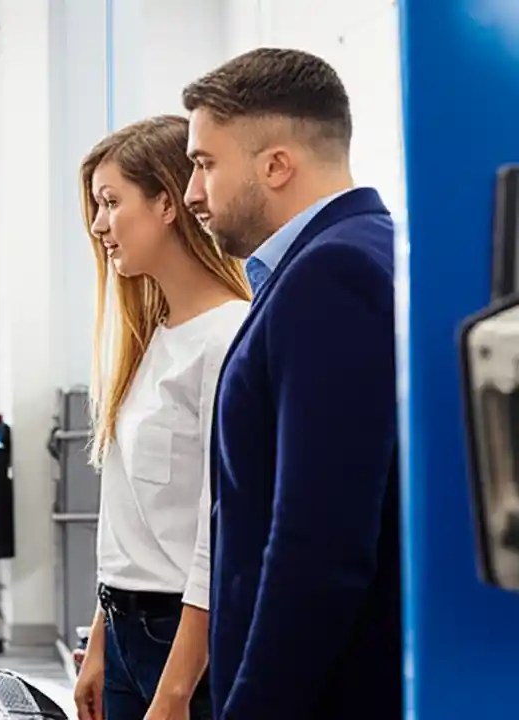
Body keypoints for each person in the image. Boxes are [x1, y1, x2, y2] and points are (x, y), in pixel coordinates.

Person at [181, 48, 401, 719]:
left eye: (205, 164)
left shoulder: (332, 276)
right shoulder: (361, 251)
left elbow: (319, 540)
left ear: (275, 165)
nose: (193, 193)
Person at [72, 115, 251, 720]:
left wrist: (175, 690)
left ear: (167, 204)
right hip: (127, 631)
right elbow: (129, 517)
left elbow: (217, 531)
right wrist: (100, 643)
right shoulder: (153, 338)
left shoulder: (226, 337)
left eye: (110, 202)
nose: (99, 226)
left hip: (184, 642)